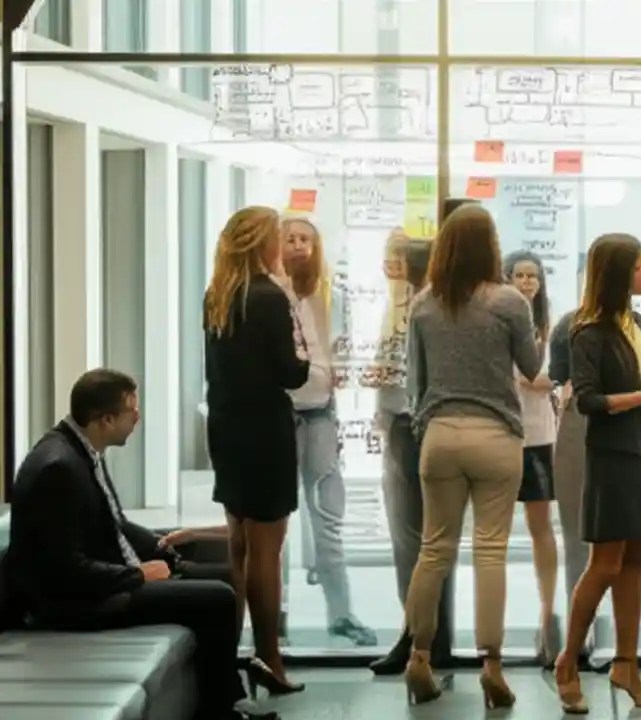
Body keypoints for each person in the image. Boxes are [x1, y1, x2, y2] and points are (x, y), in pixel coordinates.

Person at [6, 369, 277, 720]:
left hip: (103, 580)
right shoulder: (58, 469)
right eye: (131, 410)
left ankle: (226, 693)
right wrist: (138, 576)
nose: (138, 418)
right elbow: (63, 571)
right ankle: (220, 709)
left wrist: (164, 551)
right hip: (76, 603)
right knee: (218, 598)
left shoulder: (79, 451)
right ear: (105, 419)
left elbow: (114, 524)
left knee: (226, 575)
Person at [402, 204, 542, 708]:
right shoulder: (509, 301)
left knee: (433, 549)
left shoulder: (423, 304)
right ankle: (492, 666)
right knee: (490, 551)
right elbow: (531, 367)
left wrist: (427, 426)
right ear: (491, 247)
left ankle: (419, 657)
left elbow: (415, 381)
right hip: (496, 436)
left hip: (440, 434)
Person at [555, 233, 641, 715]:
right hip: (610, 457)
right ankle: (568, 660)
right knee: (604, 564)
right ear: (622, 274)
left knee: (634, 562)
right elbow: (588, 400)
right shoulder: (587, 332)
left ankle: (627, 662)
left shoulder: (639, 325)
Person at [204, 205, 310, 696]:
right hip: (265, 431)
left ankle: (225, 657)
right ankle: (269, 657)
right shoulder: (269, 296)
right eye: (277, 237)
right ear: (262, 245)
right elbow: (292, 372)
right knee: (268, 549)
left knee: (239, 544)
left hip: (226, 428)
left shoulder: (217, 296)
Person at [280, 216, 376, 647]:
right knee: (274, 523)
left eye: (306, 239)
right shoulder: (269, 294)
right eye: (290, 238)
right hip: (279, 418)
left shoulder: (329, 295)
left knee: (328, 516)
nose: (298, 245)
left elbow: (339, 351)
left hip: (320, 415)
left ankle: (340, 614)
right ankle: (274, 614)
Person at [368, 232, 434, 675]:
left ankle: (418, 636)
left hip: (414, 427)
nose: (388, 267)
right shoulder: (395, 307)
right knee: (410, 539)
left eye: (396, 260)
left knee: (414, 539)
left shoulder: (422, 308)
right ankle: (418, 634)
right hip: (400, 423)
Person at [503, 250, 562, 665]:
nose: (526, 282)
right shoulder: (498, 319)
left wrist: (543, 379)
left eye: (533, 276)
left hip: (539, 435)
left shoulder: (549, 326)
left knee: (542, 526)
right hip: (503, 433)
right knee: (496, 531)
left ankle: (548, 615)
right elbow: (526, 377)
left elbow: (548, 377)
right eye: (519, 275)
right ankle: (496, 624)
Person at [547, 253, 594, 670]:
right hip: (578, 426)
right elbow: (558, 377)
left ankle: (613, 641)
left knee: (621, 545)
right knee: (577, 536)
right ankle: (579, 639)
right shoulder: (567, 325)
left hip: (621, 434)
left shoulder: (636, 324)